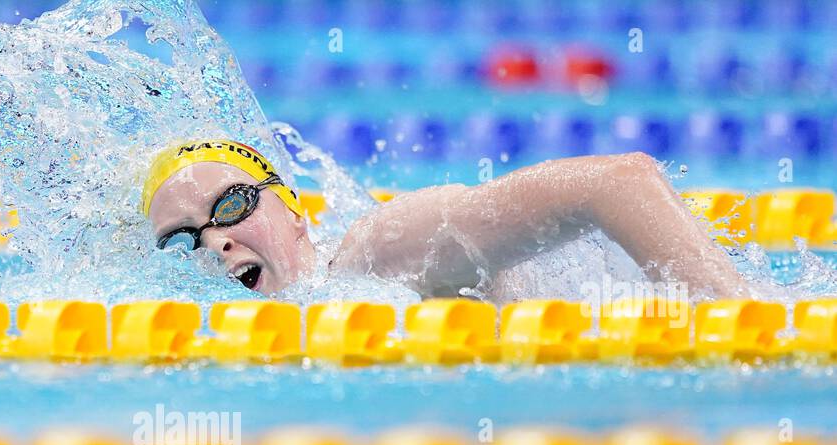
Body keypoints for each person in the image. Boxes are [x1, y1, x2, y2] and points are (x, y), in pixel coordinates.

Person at [142, 138, 752, 300]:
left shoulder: (378, 254)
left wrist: (736, 316)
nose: (214, 243)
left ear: (294, 210)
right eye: (182, 241)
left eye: (231, 205)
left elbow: (615, 182)